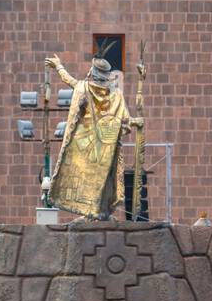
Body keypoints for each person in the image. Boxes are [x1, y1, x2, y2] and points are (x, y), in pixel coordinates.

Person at [46, 53, 141, 220]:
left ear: (92, 72)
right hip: (107, 145)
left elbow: (72, 83)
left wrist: (59, 67)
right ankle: (99, 212)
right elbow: (125, 120)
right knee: (104, 180)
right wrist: (136, 121)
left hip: (86, 143)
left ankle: (96, 213)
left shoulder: (85, 88)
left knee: (88, 179)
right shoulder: (116, 94)